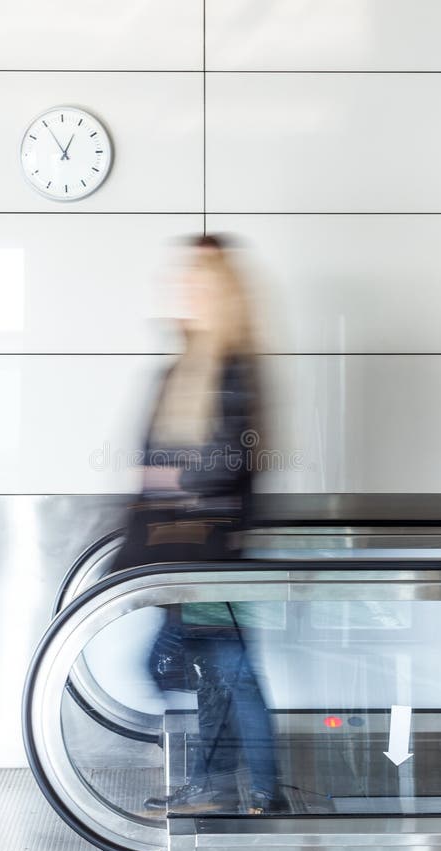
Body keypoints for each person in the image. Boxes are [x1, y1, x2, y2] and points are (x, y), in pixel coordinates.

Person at [111, 232, 279, 815]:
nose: (180, 288)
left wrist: (168, 477)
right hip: (186, 556)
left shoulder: (232, 369)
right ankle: (221, 782)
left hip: (214, 556)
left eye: (195, 282)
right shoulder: (183, 369)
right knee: (217, 674)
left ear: (219, 296)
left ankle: (259, 792)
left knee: (229, 674)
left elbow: (232, 459)